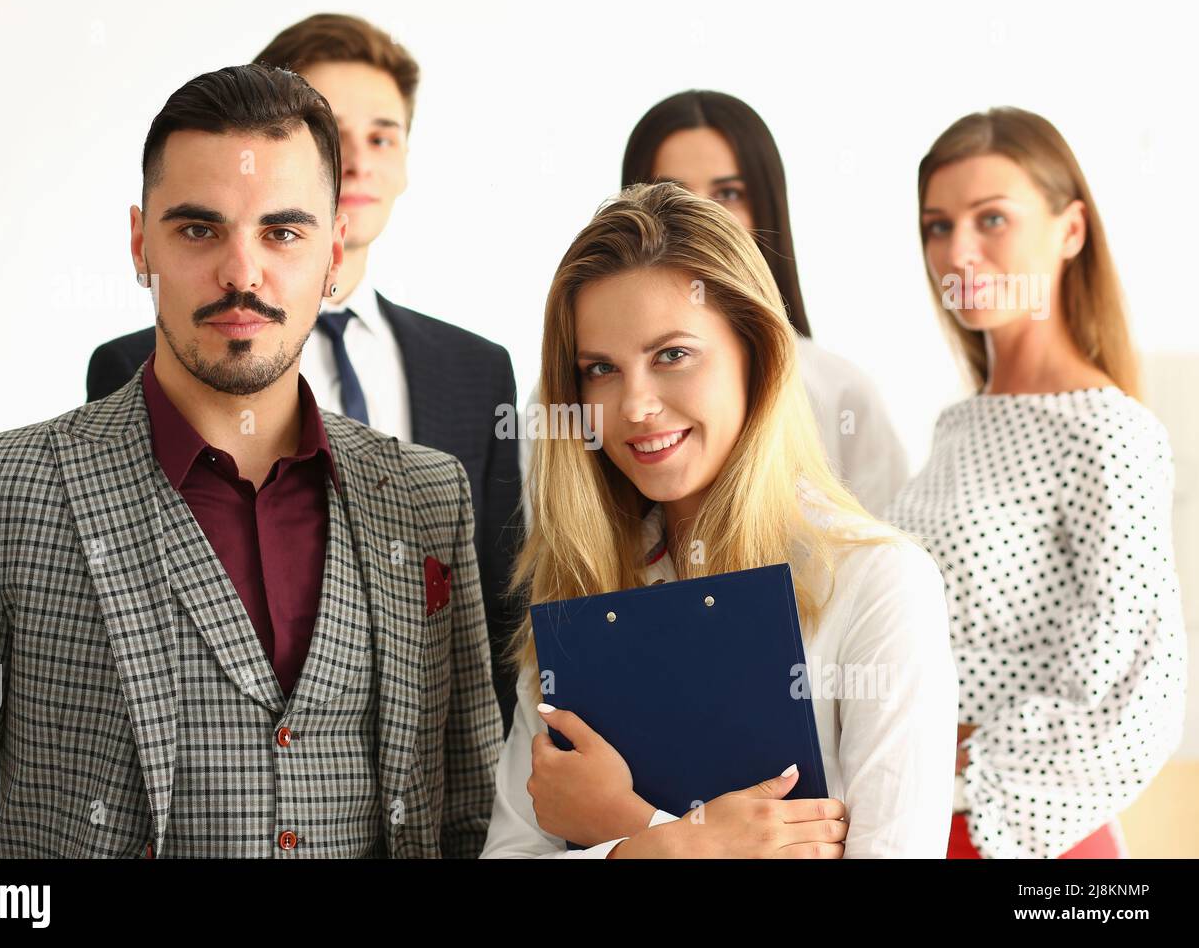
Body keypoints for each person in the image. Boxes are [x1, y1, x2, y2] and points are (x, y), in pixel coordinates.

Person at [0, 64, 502, 858]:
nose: (241, 273)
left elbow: (472, 827)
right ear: (139, 242)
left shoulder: (427, 496)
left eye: (282, 232)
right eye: (198, 229)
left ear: (334, 254)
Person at [482, 183, 957, 858]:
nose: (636, 405)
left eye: (671, 354)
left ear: (756, 355)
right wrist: (664, 846)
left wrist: (637, 831)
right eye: (601, 369)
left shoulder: (880, 582)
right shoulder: (580, 592)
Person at [86, 14, 524, 733]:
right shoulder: (137, 363)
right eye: (330, 131)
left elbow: (496, 616)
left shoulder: (476, 370)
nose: (356, 161)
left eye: (381, 136)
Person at [886, 107, 1186, 858]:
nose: (959, 251)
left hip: (1018, 838)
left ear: (1071, 231)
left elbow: (1137, 695)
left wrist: (968, 780)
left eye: (992, 219)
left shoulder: (1109, 434)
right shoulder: (956, 428)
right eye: (937, 226)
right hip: (917, 820)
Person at [519, 90, 907, 523]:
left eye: (728, 193)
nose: (702, 215)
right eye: (673, 192)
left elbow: (870, 549)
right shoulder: (563, 399)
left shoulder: (843, 393)